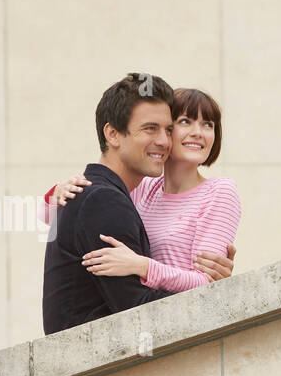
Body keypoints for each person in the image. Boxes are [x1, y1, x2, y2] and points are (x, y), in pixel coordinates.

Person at [42, 88, 240, 295]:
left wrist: (142, 266)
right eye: (185, 121)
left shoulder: (220, 191)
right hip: (146, 316)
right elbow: (55, 217)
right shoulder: (145, 187)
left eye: (208, 124)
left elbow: (206, 285)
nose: (198, 133)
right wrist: (58, 193)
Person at [41, 72, 179, 335]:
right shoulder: (103, 201)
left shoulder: (94, 193)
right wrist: (211, 291)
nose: (164, 141)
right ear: (113, 134)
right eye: (150, 128)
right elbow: (140, 313)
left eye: (168, 130)